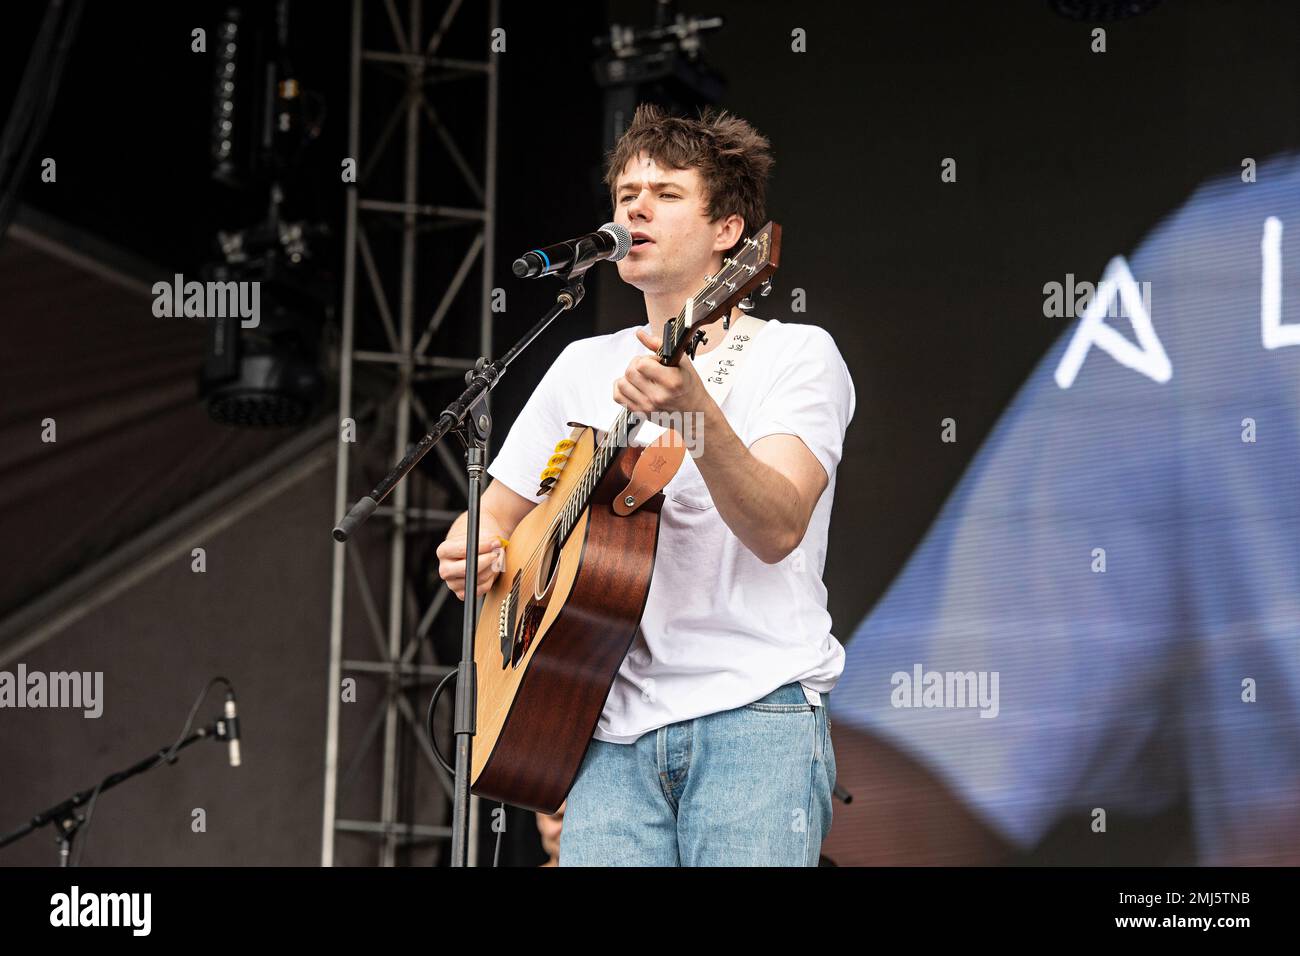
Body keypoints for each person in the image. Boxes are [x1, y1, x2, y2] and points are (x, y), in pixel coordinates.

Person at [437, 103, 855, 866]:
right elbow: (491, 516)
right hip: (601, 730)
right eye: (626, 192)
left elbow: (777, 526)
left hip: (754, 715)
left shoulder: (796, 355)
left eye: (665, 193)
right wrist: (476, 549)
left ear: (728, 231)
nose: (635, 206)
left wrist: (694, 411)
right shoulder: (580, 366)